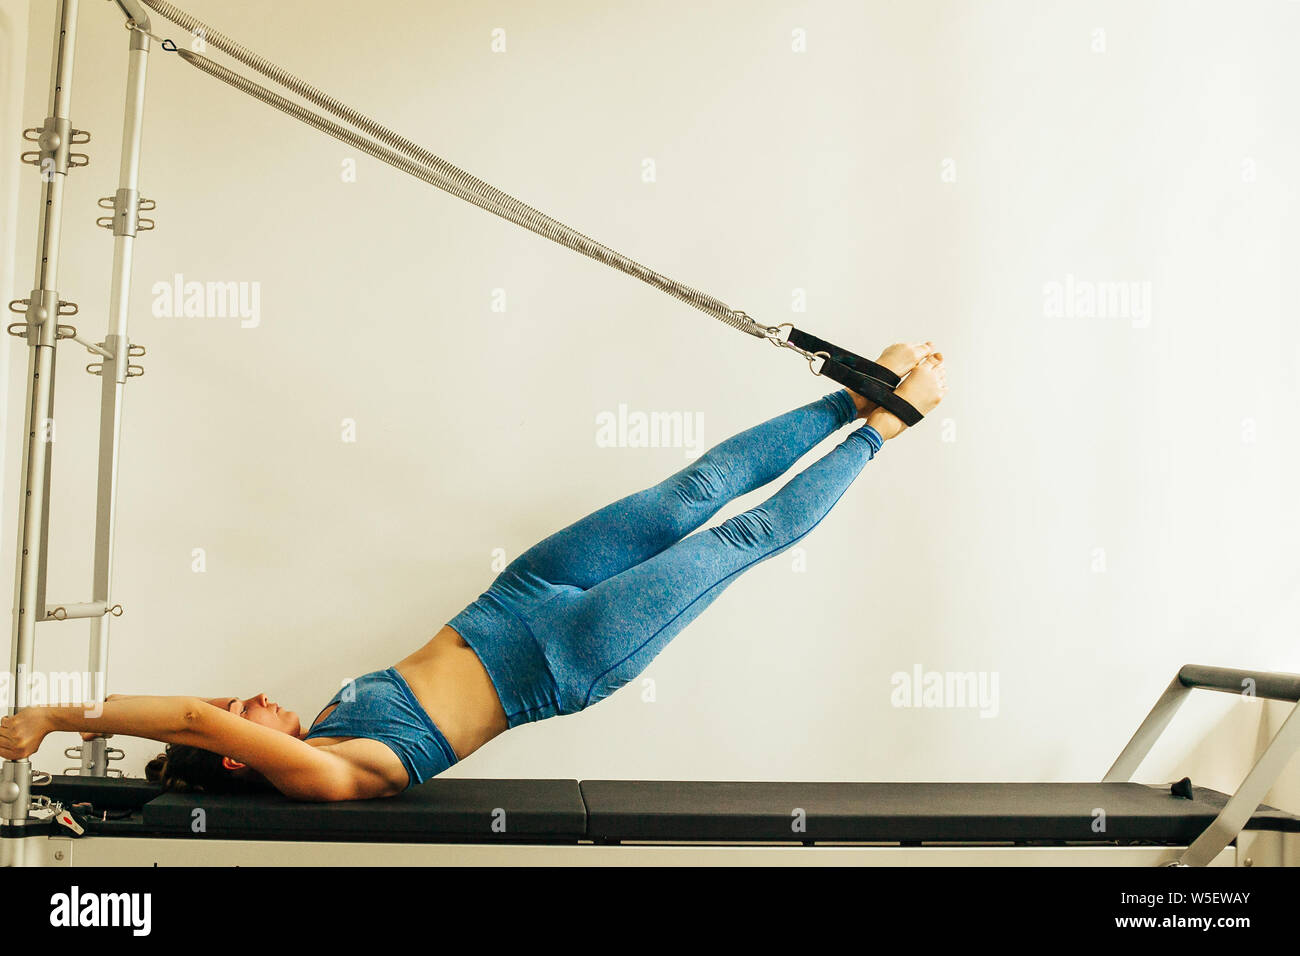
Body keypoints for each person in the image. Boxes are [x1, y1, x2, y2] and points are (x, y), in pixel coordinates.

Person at [0, 344, 947, 801]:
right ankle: (889, 426)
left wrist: (62, 719)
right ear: (242, 759)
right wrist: (48, 718)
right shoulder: (330, 775)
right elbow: (190, 718)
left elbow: (197, 723)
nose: (249, 696)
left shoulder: (330, 728)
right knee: (736, 542)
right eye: (242, 714)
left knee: (690, 488)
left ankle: (852, 397)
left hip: (515, 601)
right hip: (562, 660)